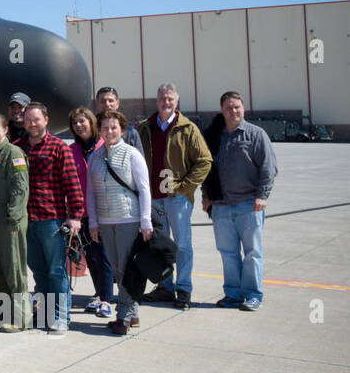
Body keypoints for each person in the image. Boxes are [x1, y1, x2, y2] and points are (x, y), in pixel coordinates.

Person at [137, 83, 212, 310]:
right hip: (153, 198)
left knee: (182, 245)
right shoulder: (145, 127)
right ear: (156, 100)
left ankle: (184, 289)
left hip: (176, 199)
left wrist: (185, 187)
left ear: (177, 102)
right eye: (162, 99)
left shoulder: (188, 128)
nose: (166, 102)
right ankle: (165, 287)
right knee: (160, 245)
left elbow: (204, 161)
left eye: (170, 99)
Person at [203, 93, 277, 312]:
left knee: (253, 253)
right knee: (228, 253)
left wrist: (262, 196)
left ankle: (253, 295)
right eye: (228, 108)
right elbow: (207, 169)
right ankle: (233, 294)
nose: (233, 111)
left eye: (236, 107)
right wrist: (206, 195)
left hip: (248, 204)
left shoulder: (256, 135)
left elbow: (268, 168)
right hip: (221, 206)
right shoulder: (215, 136)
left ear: (243, 108)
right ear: (222, 110)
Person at [86, 110, 153, 335]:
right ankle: (133, 313)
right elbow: (91, 192)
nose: (109, 131)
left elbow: (144, 189)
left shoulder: (132, 154)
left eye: (114, 127)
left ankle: (123, 316)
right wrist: (93, 221)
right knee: (117, 268)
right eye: (105, 127)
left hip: (128, 219)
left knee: (125, 269)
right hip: (106, 220)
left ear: (122, 129)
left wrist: (145, 220)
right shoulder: (94, 158)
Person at [20, 102, 85, 333]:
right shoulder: (19, 148)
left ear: (46, 120)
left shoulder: (59, 148)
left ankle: (61, 317)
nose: (32, 124)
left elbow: (73, 186)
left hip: (53, 222)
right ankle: (47, 313)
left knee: (57, 270)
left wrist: (75, 216)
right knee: (38, 270)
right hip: (27, 222)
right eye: (28, 120)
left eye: (36, 119)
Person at [0, 114, 30, 332]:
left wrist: (13, 217)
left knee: (14, 271)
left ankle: (20, 318)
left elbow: (20, 189)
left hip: (9, 223)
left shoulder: (13, 154)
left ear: (6, 130)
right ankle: (2, 314)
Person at [68, 107, 113, 318]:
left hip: (104, 211)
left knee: (103, 256)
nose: (79, 126)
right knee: (92, 256)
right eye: (75, 123)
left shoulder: (104, 145)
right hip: (82, 212)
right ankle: (98, 294)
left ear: (91, 122)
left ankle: (106, 299)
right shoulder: (73, 149)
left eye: (82, 121)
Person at [94, 87, 144, 155]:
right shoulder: (91, 131)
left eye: (111, 101)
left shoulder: (131, 133)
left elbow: (140, 162)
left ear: (117, 104)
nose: (107, 104)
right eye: (103, 101)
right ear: (97, 104)